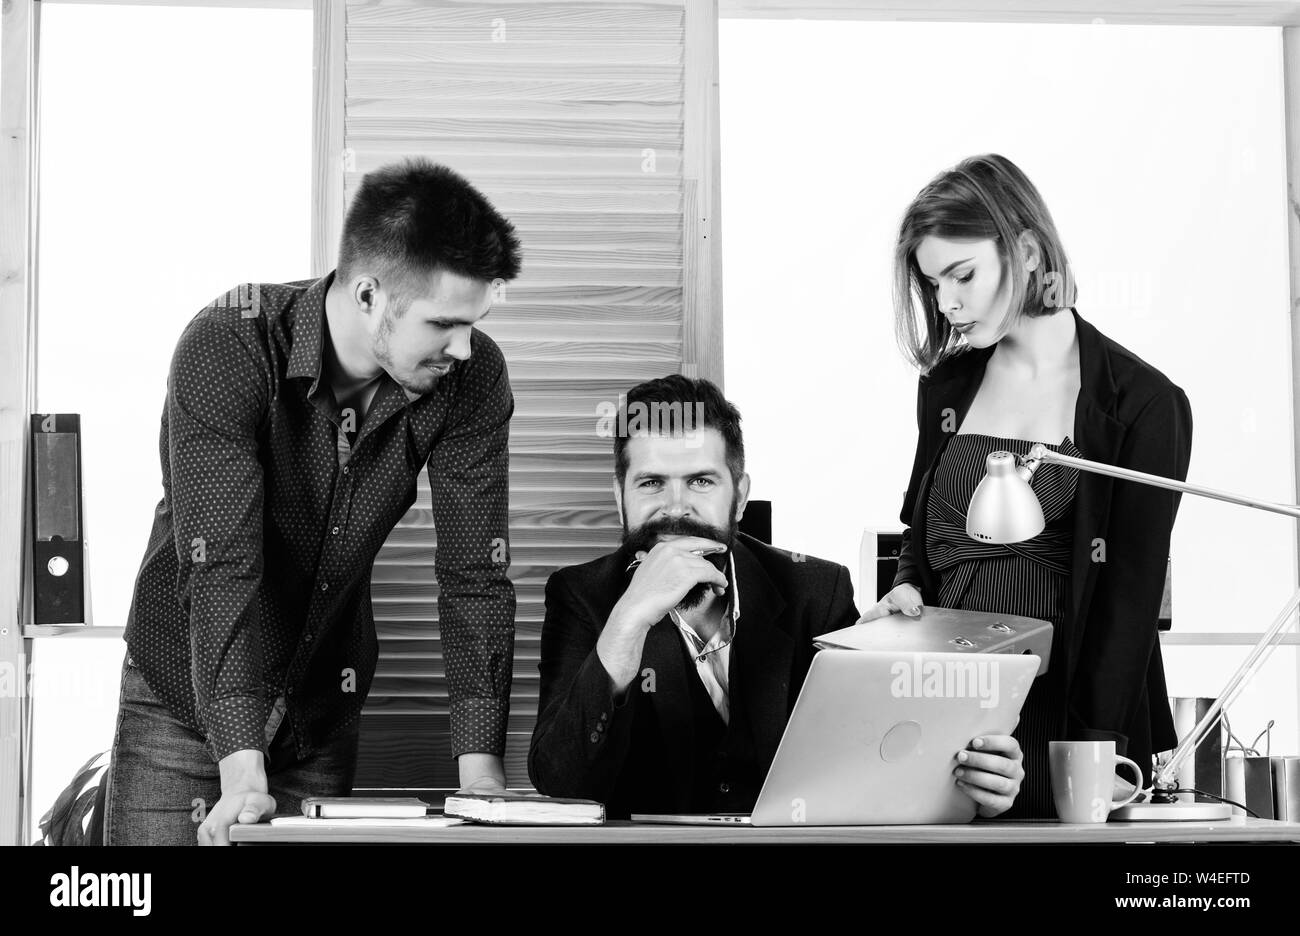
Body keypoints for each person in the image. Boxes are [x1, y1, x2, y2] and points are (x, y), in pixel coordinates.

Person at [105, 159, 522, 844]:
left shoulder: (472, 379)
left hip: (321, 706)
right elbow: (223, 566)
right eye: (444, 323)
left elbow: (476, 575)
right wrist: (241, 772)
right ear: (368, 296)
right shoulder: (229, 342)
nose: (465, 348)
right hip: (182, 700)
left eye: (474, 323)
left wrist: (480, 778)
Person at [859, 153, 1191, 819]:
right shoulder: (947, 385)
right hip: (952, 709)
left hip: (1075, 717)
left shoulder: (1143, 405)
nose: (947, 302)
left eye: (963, 275)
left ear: (1030, 250)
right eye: (934, 283)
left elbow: (1127, 604)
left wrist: (1091, 761)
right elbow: (922, 537)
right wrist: (904, 586)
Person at [529, 375, 1025, 818]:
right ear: (620, 499)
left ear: (740, 495)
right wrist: (629, 619)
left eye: (701, 481)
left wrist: (969, 776)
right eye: (651, 483)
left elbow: (863, 765)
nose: (676, 507)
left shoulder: (816, 590)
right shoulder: (583, 596)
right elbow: (563, 783)